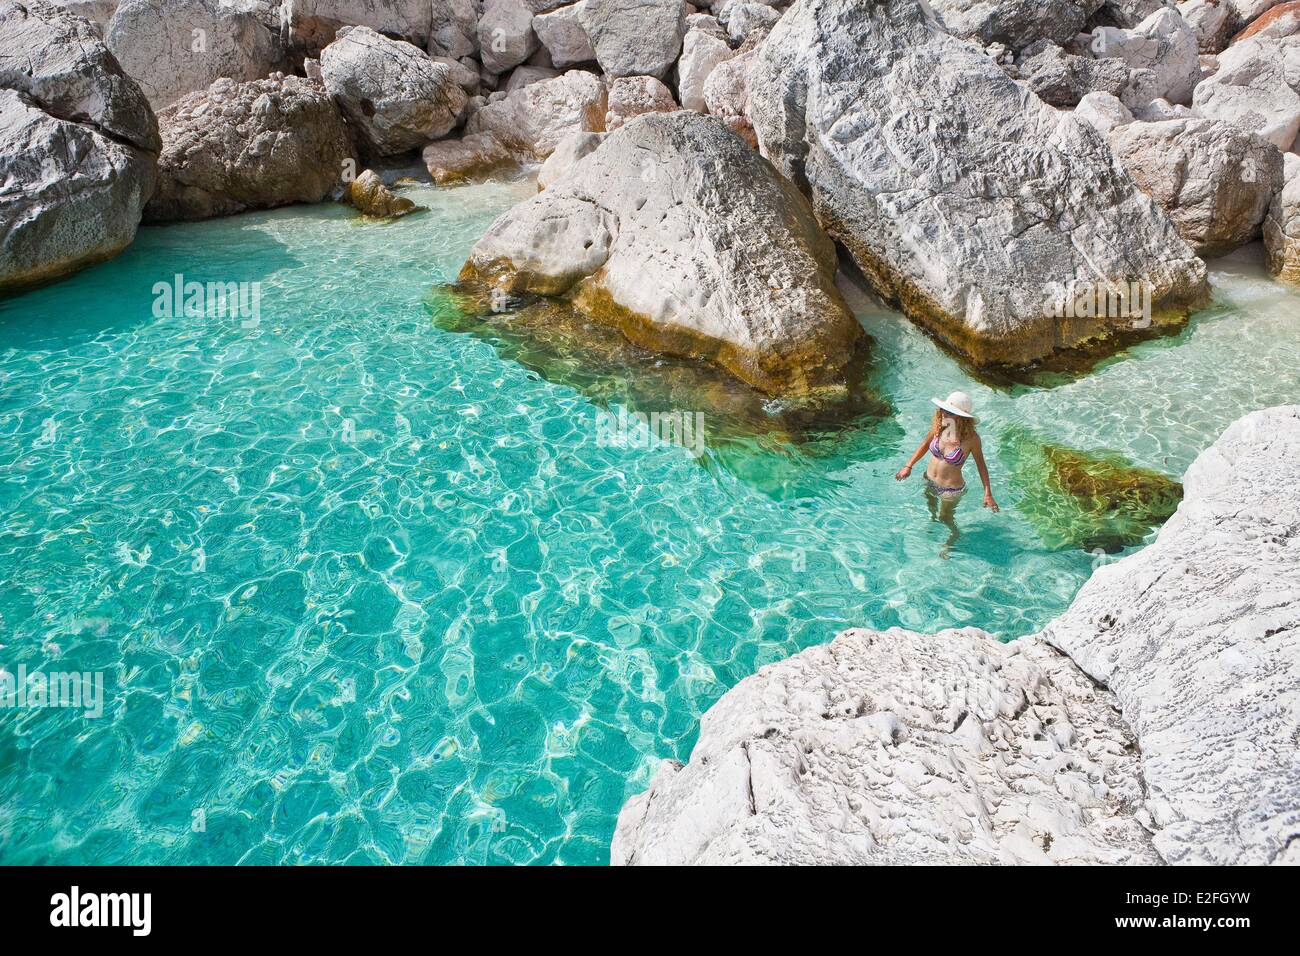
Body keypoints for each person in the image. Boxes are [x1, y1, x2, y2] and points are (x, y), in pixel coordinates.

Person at [894, 391, 998, 556]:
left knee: (946, 518)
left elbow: (981, 466)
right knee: (931, 506)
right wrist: (909, 465)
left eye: (950, 412)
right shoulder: (939, 427)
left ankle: (953, 538)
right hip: (929, 479)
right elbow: (923, 445)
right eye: (943, 410)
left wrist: (988, 494)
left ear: (961, 417)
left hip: (951, 490)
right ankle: (932, 521)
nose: (944, 413)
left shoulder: (972, 439)